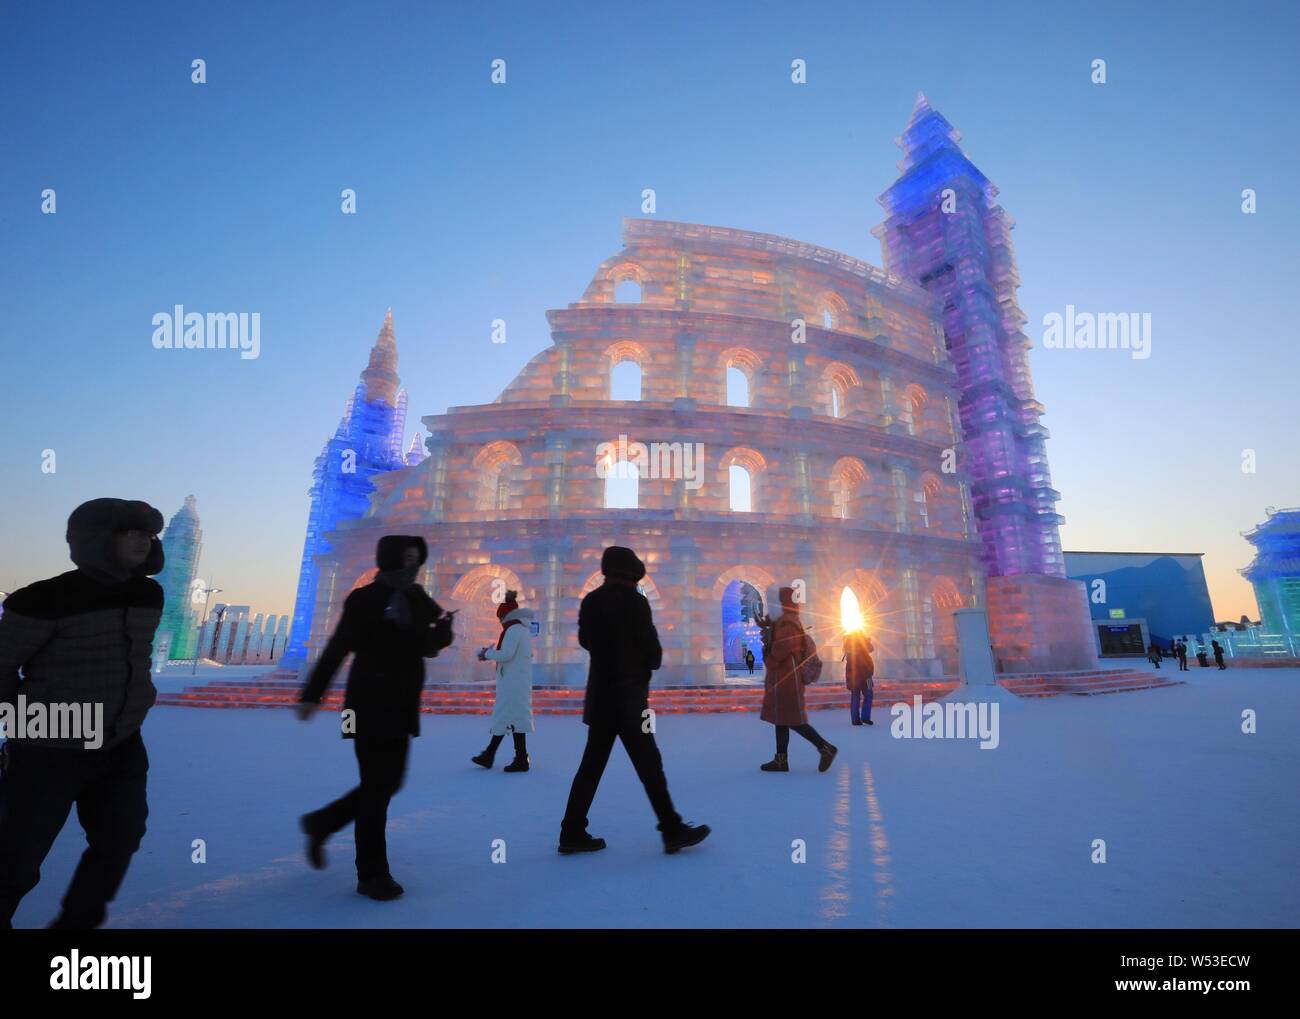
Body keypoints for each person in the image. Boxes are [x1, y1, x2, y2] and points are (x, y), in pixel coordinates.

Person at [0, 498, 165, 929]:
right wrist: (25, 719)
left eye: (147, 534)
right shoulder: (43, 598)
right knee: (18, 857)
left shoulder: (149, 593)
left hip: (122, 740)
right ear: (95, 540)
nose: (143, 541)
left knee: (122, 836)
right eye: (130, 532)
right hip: (50, 744)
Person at [297, 535, 448, 901]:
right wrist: (313, 694)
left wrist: (442, 634)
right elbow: (337, 647)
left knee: (388, 783)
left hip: (401, 704)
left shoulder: (417, 599)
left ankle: (322, 823)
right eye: (407, 558)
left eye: (417, 559)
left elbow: (425, 647)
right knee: (377, 787)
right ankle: (372, 874)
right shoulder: (365, 599)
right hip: (361, 706)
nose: (413, 566)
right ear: (391, 559)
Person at [559, 546, 709, 856]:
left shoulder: (591, 601)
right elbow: (653, 655)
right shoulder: (636, 603)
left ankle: (571, 831)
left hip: (601, 699)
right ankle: (671, 829)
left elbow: (585, 641)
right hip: (630, 701)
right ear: (631, 574)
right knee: (650, 766)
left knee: (590, 767)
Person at [759, 587, 837, 773]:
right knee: (781, 719)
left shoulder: (788, 622)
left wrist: (771, 659)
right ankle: (780, 760)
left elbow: (783, 646)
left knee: (793, 720)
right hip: (782, 677)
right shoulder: (784, 620)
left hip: (787, 677)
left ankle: (826, 748)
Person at [472, 591, 535, 772]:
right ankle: (494, 755)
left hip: (513, 684)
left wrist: (487, 653)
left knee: (508, 718)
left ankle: (511, 758)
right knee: (511, 718)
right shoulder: (519, 629)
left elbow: (507, 654)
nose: (500, 621)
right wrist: (489, 654)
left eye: (500, 617)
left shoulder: (514, 630)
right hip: (515, 682)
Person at [843, 630, 875, 726]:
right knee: (864, 695)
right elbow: (870, 648)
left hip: (861, 677)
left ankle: (857, 719)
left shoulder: (850, 647)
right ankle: (863, 718)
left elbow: (871, 649)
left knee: (857, 696)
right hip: (864, 677)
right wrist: (865, 640)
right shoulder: (856, 646)